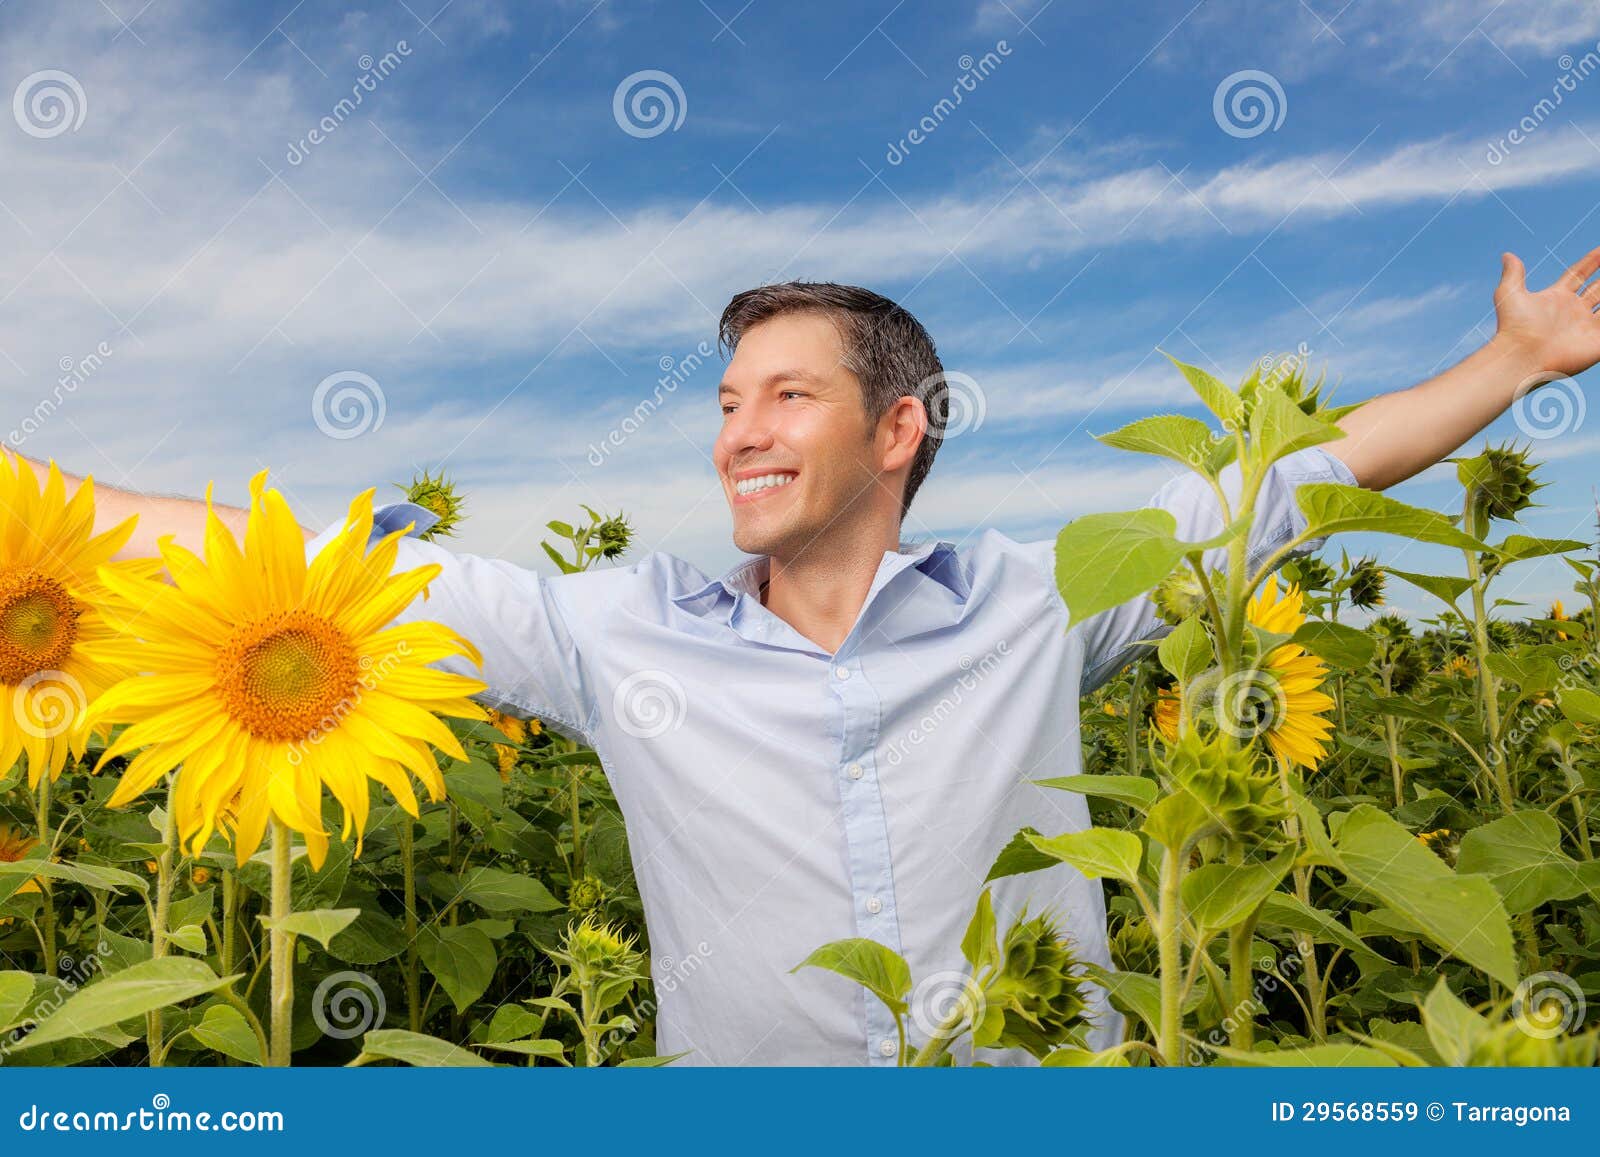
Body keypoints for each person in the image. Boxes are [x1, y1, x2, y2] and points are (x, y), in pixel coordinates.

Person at [13, 249, 1600, 1064]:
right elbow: (333, 568)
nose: (737, 434)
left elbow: (1295, 478)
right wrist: (53, 504)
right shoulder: (613, 633)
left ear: (898, 429)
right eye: (723, 403)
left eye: (784, 396)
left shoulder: (1044, 600)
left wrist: (1514, 361)